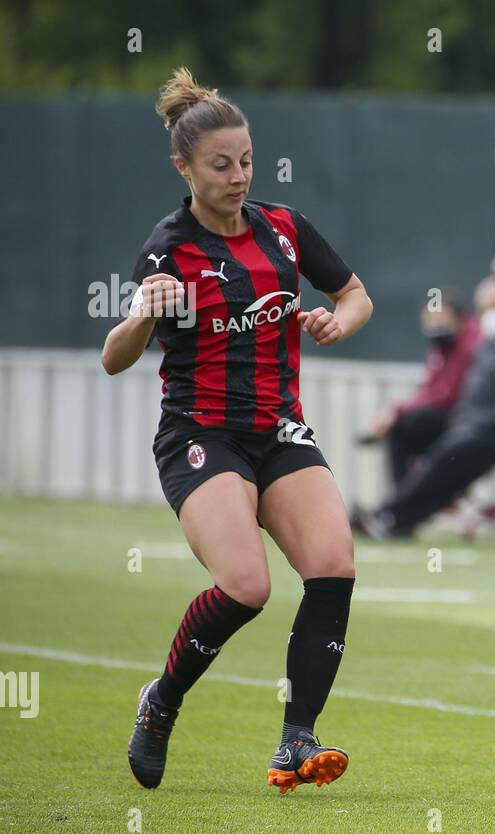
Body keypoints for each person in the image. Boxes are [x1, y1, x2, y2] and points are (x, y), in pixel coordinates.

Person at [102, 68, 373, 793]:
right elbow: (113, 359)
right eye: (221, 165)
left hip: (279, 430)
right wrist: (142, 315)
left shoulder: (283, 228)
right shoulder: (169, 250)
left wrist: (335, 321)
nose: (238, 176)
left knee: (334, 566)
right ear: (184, 167)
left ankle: (296, 739)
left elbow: (353, 294)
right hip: (201, 433)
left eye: (246, 161)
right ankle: (161, 702)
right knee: (247, 585)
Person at [355, 276, 495, 539]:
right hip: (473, 426)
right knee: (411, 433)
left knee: (452, 453)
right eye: (484, 309)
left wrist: (479, 422)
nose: (490, 315)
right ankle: (397, 518)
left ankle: (391, 516)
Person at [359, 288, 481, 489]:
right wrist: (396, 412)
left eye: (441, 320)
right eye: (430, 322)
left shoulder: (470, 344)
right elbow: (430, 388)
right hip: (453, 419)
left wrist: (396, 412)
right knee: (401, 432)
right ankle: (402, 502)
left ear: (457, 317)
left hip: (466, 420)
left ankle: (401, 506)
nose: (435, 327)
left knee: (403, 428)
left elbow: (447, 393)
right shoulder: (443, 346)